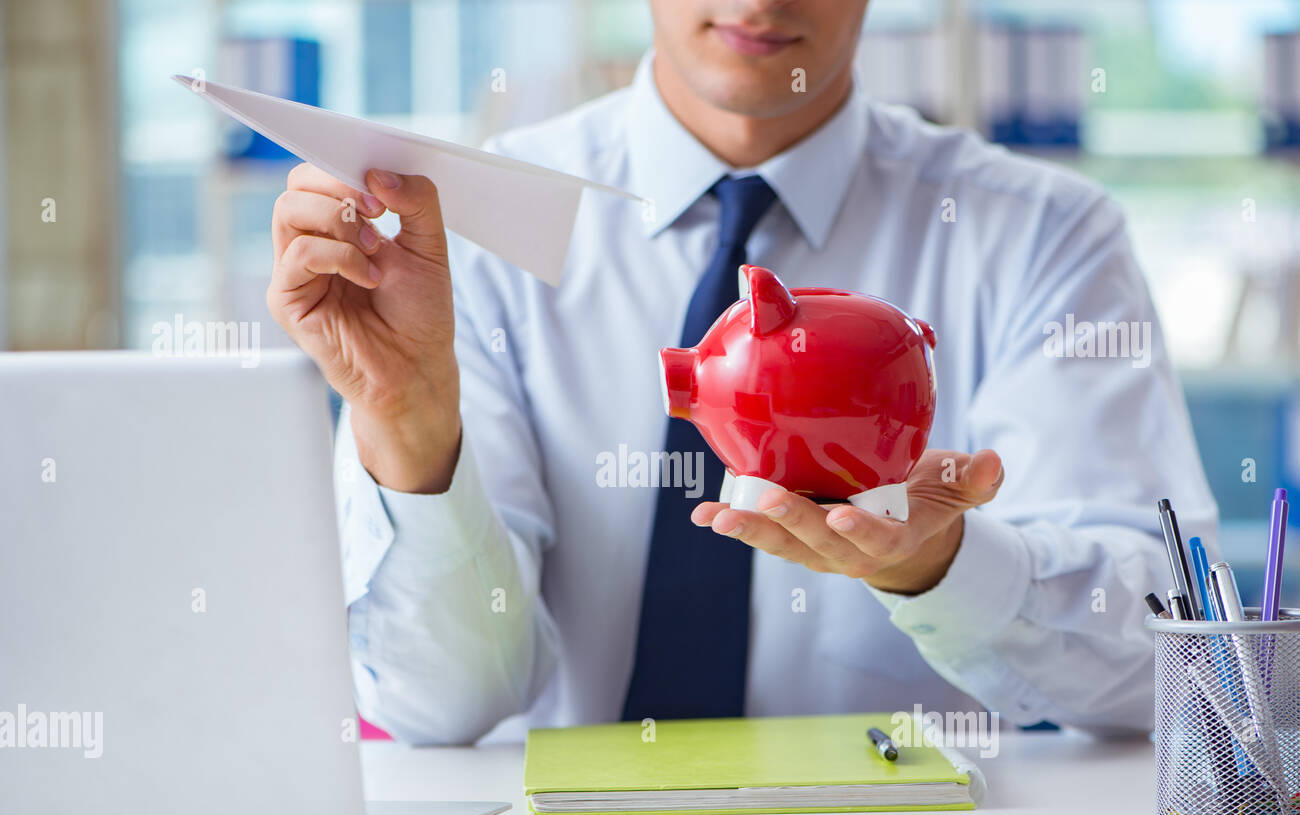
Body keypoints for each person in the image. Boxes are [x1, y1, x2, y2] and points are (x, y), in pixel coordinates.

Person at [267, 0, 1216, 744]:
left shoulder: (1045, 236)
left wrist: (944, 565)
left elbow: (1164, 666)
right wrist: (409, 419)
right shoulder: (466, 227)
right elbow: (445, 707)